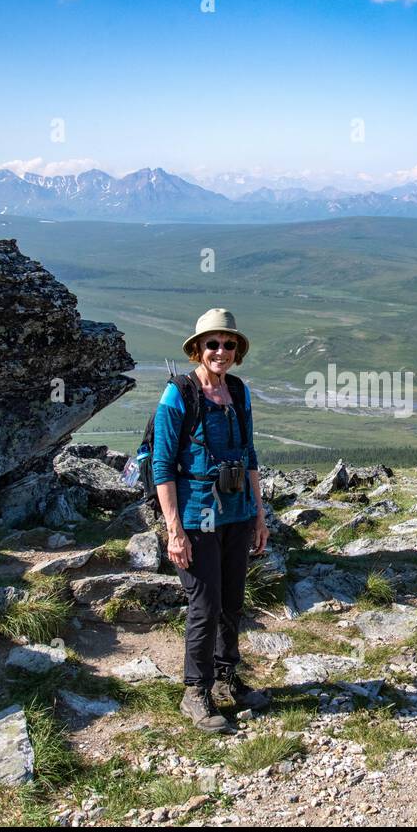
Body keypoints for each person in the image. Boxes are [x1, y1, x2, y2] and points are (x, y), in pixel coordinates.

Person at [152, 307, 272, 732]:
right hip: (195, 515)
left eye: (229, 344)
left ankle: (226, 679)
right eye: (212, 344)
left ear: (237, 350)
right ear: (197, 350)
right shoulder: (179, 396)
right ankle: (195, 692)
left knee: (232, 602)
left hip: (237, 512)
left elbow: (250, 455)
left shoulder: (238, 392)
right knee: (204, 604)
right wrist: (174, 531)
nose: (221, 350)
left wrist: (259, 514)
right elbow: (163, 467)